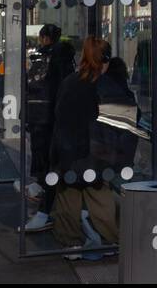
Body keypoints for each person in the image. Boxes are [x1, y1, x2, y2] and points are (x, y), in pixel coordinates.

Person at [49, 37, 122, 260]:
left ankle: (71, 245)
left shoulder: (70, 81)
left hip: (69, 151)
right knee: (101, 198)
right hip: (95, 152)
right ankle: (110, 241)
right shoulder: (106, 85)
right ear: (106, 59)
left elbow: (58, 115)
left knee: (67, 197)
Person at [23, 24, 77, 233]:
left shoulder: (45, 58)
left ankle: (45, 201)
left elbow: (35, 87)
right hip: (54, 115)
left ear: (45, 38)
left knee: (46, 158)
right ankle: (43, 191)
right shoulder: (65, 59)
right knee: (50, 158)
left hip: (43, 115)